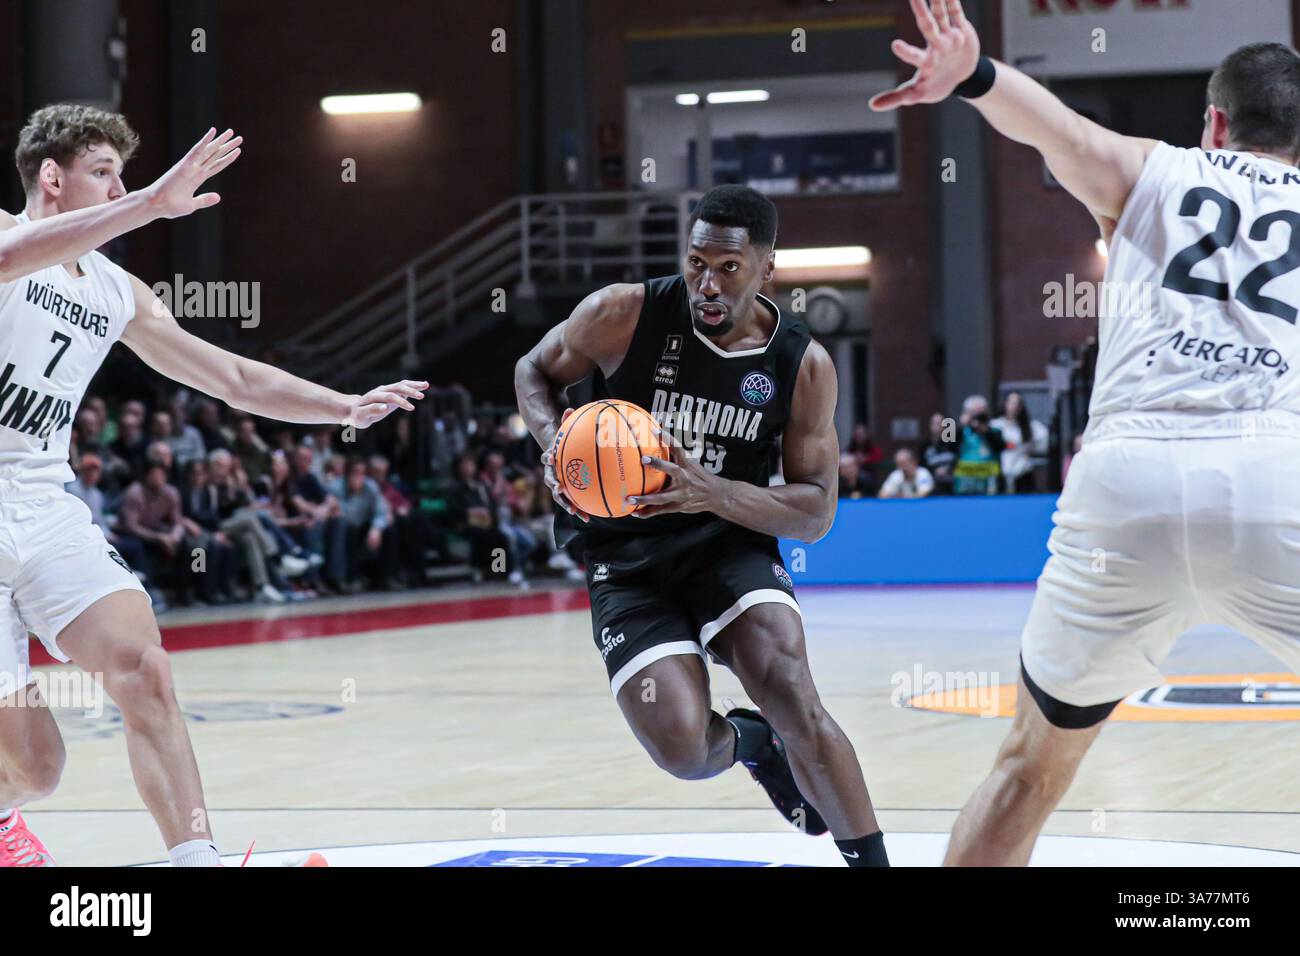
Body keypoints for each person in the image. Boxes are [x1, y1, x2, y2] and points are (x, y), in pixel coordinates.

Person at [873, 0, 1300, 865]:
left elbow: (1061, 133)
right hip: (1274, 476)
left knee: (1029, 767)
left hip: (1126, 481)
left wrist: (976, 76)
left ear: (1215, 121)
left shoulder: (1159, 169)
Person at [0, 104, 425, 867]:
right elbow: (14, 257)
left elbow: (227, 375)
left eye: (127, 176)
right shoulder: (5, 238)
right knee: (38, 768)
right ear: (52, 178)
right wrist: (152, 202)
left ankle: (199, 861)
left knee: (146, 667)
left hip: (42, 504)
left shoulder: (116, 290)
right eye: (105, 173)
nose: (121, 187)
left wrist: (341, 407)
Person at [515, 183, 888, 866]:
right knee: (683, 749)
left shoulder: (800, 366)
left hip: (727, 545)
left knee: (792, 693)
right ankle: (750, 743)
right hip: (626, 557)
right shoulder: (623, 314)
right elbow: (532, 369)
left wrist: (711, 492)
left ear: (767, 268)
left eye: (728, 268)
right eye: (696, 264)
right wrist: (555, 446)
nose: (706, 284)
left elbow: (816, 512)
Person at [991, 391, 1048, 493]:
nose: (1014, 406)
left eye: (1018, 403)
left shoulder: (1031, 427)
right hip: (1001, 473)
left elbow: (1044, 441)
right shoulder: (996, 425)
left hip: (1023, 472)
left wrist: (1032, 449)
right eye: (1011, 403)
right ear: (1005, 404)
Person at [953, 395, 1005, 495]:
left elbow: (1001, 446)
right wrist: (961, 426)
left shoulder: (995, 429)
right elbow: (948, 445)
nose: (977, 417)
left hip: (989, 482)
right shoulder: (959, 430)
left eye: (980, 414)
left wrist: (985, 430)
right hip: (965, 482)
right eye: (973, 413)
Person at [921, 411, 958, 495]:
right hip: (932, 486)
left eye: (939, 423)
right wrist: (933, 471)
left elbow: (958, 460)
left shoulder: (952, 443)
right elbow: (921, 466)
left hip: (952, 485)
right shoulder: (925, 445)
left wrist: (948, 469)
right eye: (934, 423)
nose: (936, 427)